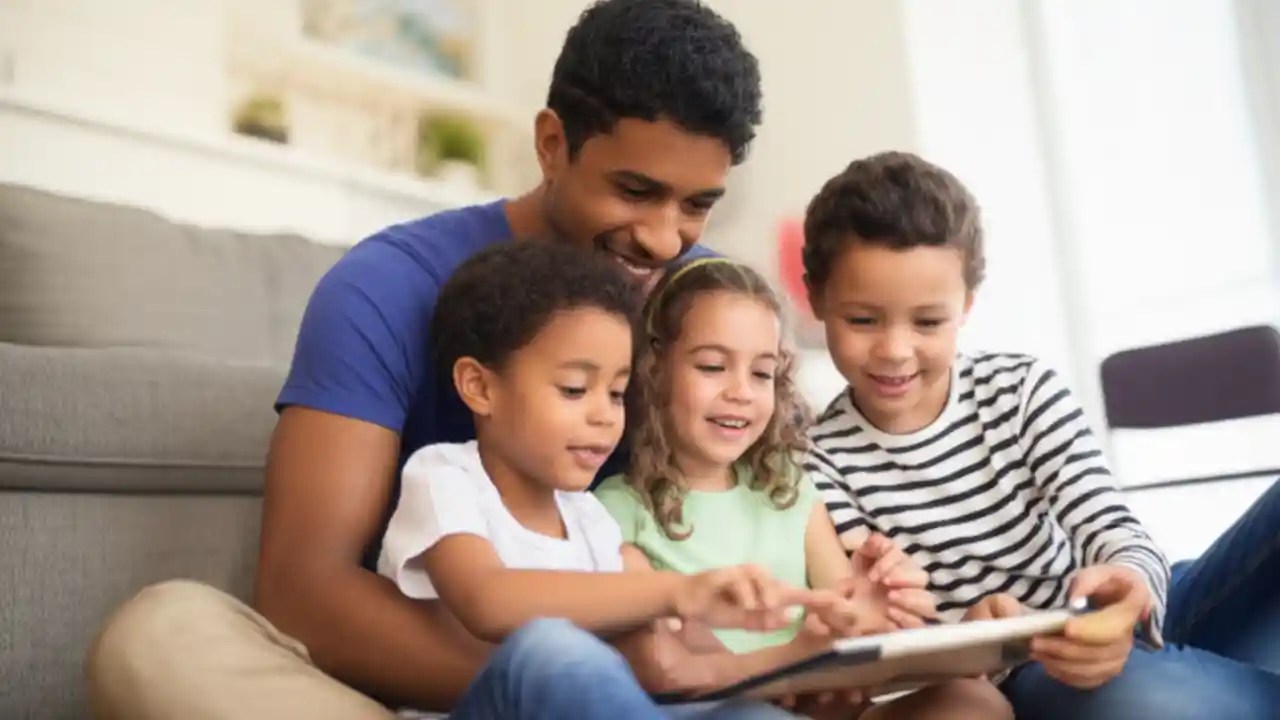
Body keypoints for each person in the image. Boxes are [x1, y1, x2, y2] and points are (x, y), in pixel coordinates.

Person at [85, 1, 768, 717]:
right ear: (552, 144)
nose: (664, 239)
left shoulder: (703, 309)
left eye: (697, 206)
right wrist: (566, 687)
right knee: (160, 634)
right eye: (634, 191)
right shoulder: (387, 286)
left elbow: (775, 509)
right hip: (433, 692)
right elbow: (303, 596)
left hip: (660, 689)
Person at [801, 150, 1280, 718]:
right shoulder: (820, 464)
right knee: (1141, 697)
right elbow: (888, 640)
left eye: (928, 321)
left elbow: (1113, 529)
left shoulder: (1020, 389)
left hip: (1139, 611)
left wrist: (1128, 585)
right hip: (1038, 666)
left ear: (965, 306)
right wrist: (974, 642)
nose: (895, 350)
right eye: (863, 320)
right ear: (817, 299)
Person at [380, 241, 823, 719]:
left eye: (616, 393)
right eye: (574, 389)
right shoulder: (446, 475)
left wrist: (810, 648)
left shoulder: (592, 520)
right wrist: (679, 590)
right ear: (480, 386)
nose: (606, 416)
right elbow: (488, 600)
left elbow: (686, 669)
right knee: (550, 649)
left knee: (750, 716)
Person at [595, 257, 1014, 720]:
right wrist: (803, 661)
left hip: (829, 706)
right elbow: (684, 673)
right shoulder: (615, 513)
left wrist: (872, 612)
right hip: (735, 711)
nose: (741, 391)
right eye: (713, 366)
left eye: (761, 373)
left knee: (973, 703)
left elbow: (846, 625)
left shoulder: (788, 487)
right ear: (653, 371)